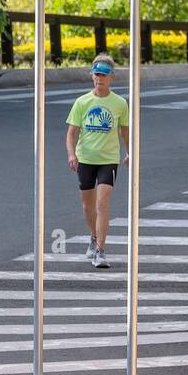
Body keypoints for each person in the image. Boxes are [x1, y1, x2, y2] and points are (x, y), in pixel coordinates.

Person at [65, 53, 129, 268]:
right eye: (96, 74)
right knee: (87, 206)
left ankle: (101, 250)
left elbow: (125, 131)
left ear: (112, 77)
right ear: (91, 76)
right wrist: (72, 154)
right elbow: (71, 133)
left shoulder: (119, 103)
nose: (100, 78)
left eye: (104, 75)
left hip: (109, 159)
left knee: (102, 203)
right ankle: (93, 237)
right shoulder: (82, 102)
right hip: (85, 159)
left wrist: (130, 152)